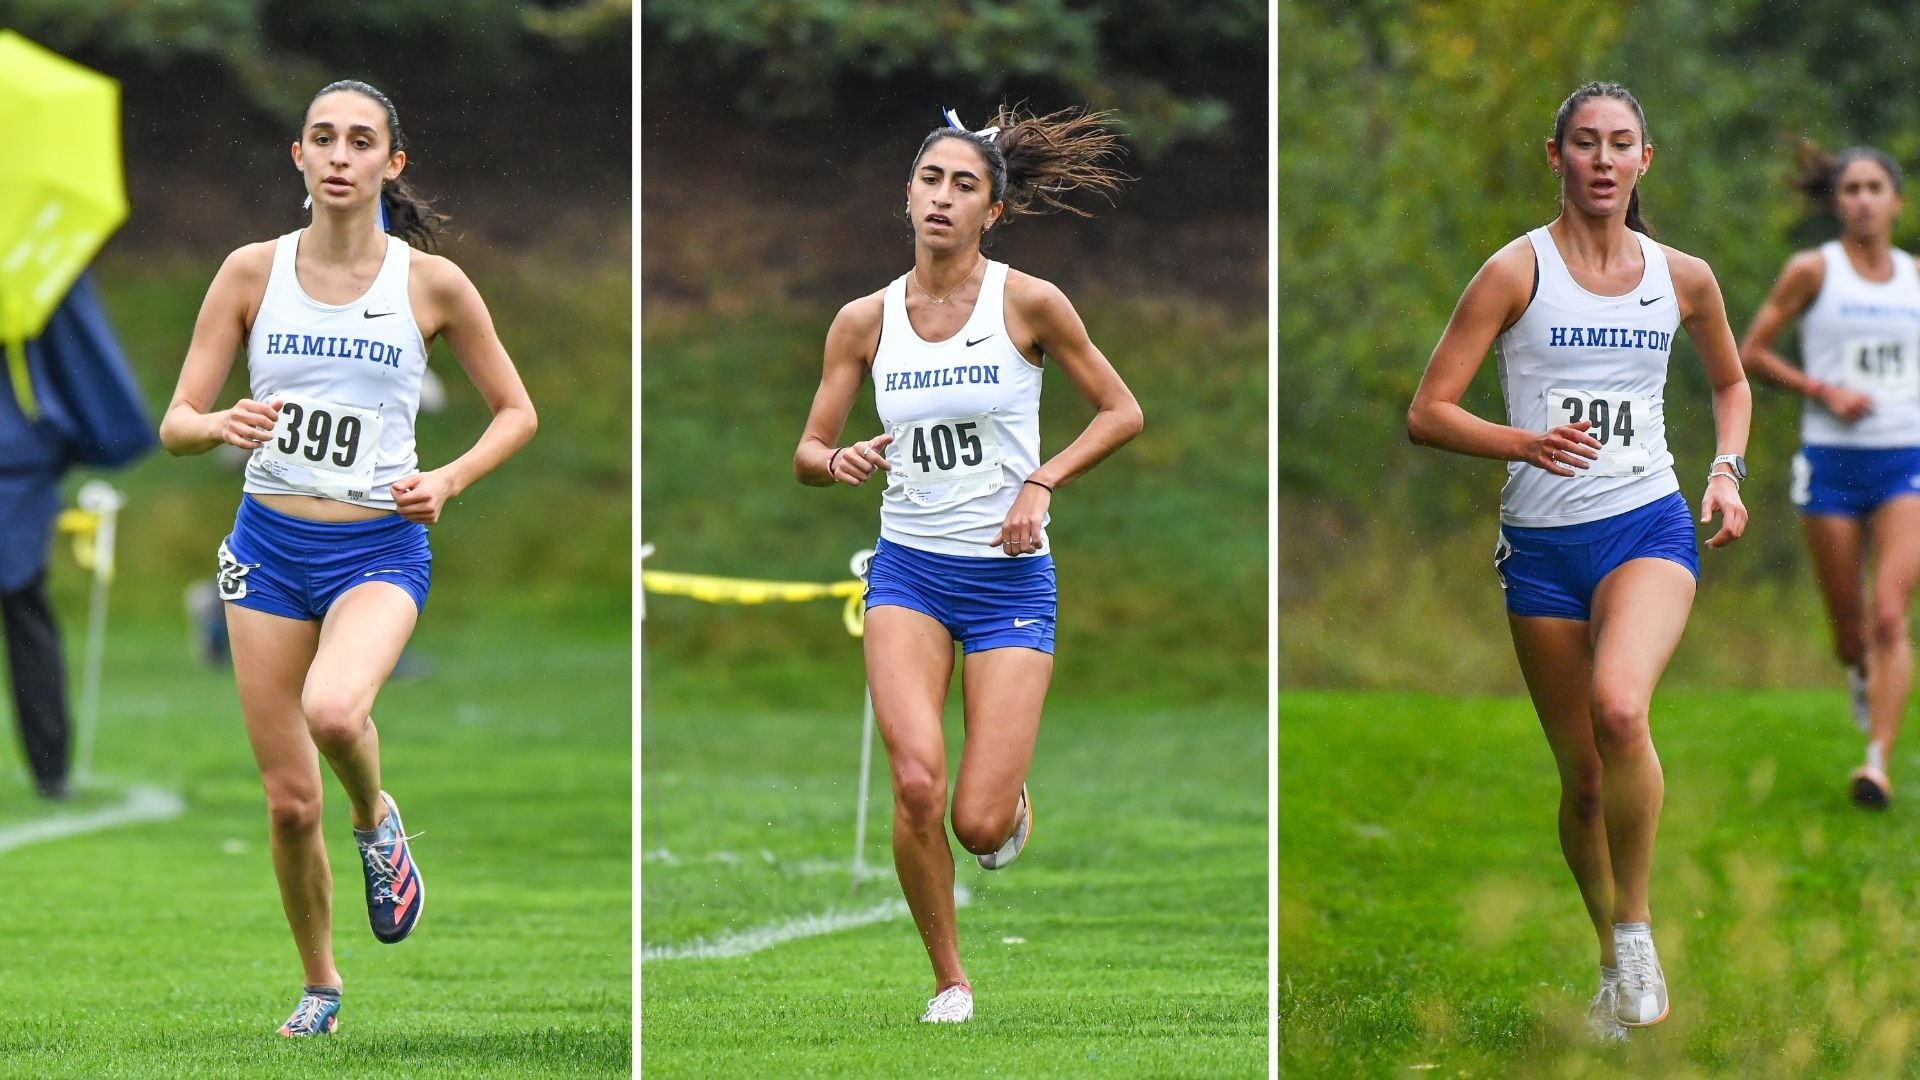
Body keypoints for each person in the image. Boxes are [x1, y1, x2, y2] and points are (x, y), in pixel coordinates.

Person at [158, 80, 537, 1037]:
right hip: (266, 553)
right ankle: (321, 987)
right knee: (288, 806)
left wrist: (447, 481)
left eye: (359, 141)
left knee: (335, 710)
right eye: (321, 138)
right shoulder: (250, 272)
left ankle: (376, 822)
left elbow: (517, 413)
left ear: (390, 164)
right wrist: (217, 425)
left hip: (378, 546)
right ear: (298, 156)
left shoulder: (430, 284)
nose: (338, 155)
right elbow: (174, 422)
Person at [1406, 81, 1751, 1040]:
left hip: (1647, 524)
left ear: (1647, 160)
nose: (1603, 160)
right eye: (1586, 143)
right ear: (1554, 156)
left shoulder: (1684, 277)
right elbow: (1428, 412)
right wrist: (1523, 444)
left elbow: (1730, 381)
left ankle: (1636, 934)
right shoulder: (1514, 272)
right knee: (1584, 779)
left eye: (1622, 144)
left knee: (1619, 707)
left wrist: (1725, 471)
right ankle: (1610, 960)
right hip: (1543, 550)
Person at [794, 105, 1142, 1024]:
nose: (943, 199)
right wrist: (840, 462)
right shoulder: (862, 321)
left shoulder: (1028, 303)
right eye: (931, 181)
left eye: (965, 187)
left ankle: (1008, 796)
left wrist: (1042, 482)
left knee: (976, 822)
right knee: (916, 782)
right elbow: (809, 450)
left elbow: (1120, 411)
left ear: (994, 210)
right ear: (905, 195)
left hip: (1008, 581)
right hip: (907, 571)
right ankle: (951, 981)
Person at [1737, 143, 1920, 809]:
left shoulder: (1915, 277)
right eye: (1851, 189)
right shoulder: (1812, 272)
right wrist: (1822, 389)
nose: (1864, 200)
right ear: (1836, 203)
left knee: (1891, 614)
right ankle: (1859, 671)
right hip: (1832, 466)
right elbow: (1750, 352)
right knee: (1851, 631)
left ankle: (1877, 764)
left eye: (1876, 187)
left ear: (1897, 201)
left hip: (1907, 460)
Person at [0, 271, 155, 799]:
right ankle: (52, 771)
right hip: (18, 458)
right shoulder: (28, 260)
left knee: (24, 609)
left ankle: (50, 768)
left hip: (13, 466)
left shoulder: (21, 267)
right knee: (25, 609)